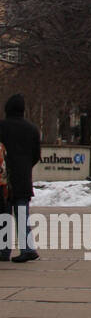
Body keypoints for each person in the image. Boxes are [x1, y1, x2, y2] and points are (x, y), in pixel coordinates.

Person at [0, 94, 42, 262]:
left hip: (4, 180)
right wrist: (24, 167)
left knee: (4, 215)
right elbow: (35, 155)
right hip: (23, 178)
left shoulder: (1, 127)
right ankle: (28, 248)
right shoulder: (32, 129)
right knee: (22, 214)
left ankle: (3, 251)